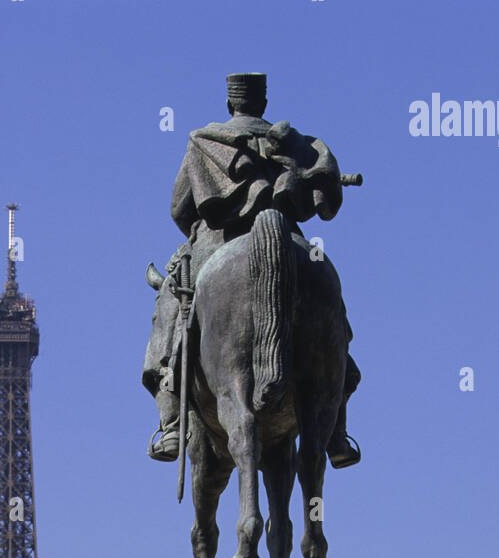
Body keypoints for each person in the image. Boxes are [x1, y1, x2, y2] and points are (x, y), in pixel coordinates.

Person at [144, 72, 360, 469]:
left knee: (170, 308)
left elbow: (180, 209)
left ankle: (172, 420)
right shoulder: (301, 145)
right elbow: (328, 204)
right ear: (263, 103)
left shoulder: (204, 141)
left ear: (231, 105)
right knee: (333, 311)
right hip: (291, 239)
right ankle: (337, 431)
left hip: (217, 245)